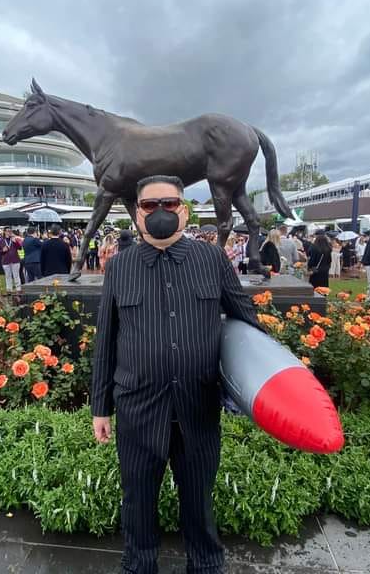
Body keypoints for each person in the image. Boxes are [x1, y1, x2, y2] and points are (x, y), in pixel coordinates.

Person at [91, 174, 259, 573]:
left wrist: (273, 379)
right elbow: (107, 340)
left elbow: (246, 323)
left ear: (184, 209)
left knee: (199, 500)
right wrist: (101, 408)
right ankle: (139, 565)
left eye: (170, 203)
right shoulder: (120, 267)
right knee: (137, 500)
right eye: (150, 205)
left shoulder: (212, 259)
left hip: (197, 408)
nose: (161, 212)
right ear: (137, 214)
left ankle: (205, 565)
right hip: (137, 408)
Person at [0, 227, 22, 293]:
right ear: (5, 232)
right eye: (8, 231)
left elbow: (20, 248)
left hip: (15, 260)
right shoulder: (1, 241)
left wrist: (15, 242)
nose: (9, 232)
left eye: (10, 231)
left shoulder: (14, 239)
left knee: (16, 275)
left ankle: (18, 289)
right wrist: (2, 250)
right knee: (8, 276)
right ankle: (9, 290)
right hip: (6, 261)